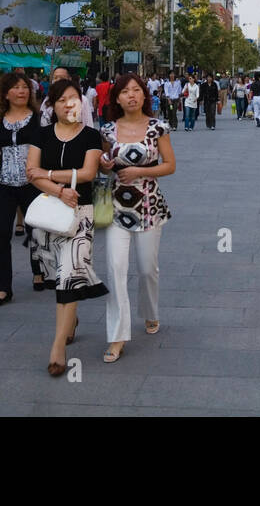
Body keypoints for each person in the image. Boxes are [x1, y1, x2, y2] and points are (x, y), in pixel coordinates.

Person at [26, 78, 108, 375]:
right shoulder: (41, 134)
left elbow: (87, 173)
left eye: (73, 98)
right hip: (48, 214)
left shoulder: (91, 136)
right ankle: (70, 321)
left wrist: (48, 174)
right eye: (61, 99)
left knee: (69, 277)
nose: (68, 104)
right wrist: (60, 189)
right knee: (57, 278)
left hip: (81, 215)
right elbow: (30, 173)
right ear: (53, 105)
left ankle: (57, 347)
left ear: (82, 103)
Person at [98, 74, 175, 363]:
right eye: (125, 91)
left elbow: (170, 165)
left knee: (146, 269)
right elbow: (104, 166)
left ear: (145, 96)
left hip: (149, 207)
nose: (131, 95)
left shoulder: (158, 128)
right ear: (116, 98)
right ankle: (117, 336)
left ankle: (150, 312)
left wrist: (141, 171)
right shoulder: (107, 130)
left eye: (137, 91)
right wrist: (105, 165)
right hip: (116, 207)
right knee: (115, 269)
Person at [0, 71, 48, 305]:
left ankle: (39, 271)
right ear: (6, 94)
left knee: (36, 231)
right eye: (16, 88)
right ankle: (2, 288)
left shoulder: (40, 119)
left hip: (33, 184)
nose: (22, 91)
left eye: (25, 88)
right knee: (1, 234)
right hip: (5, 183)